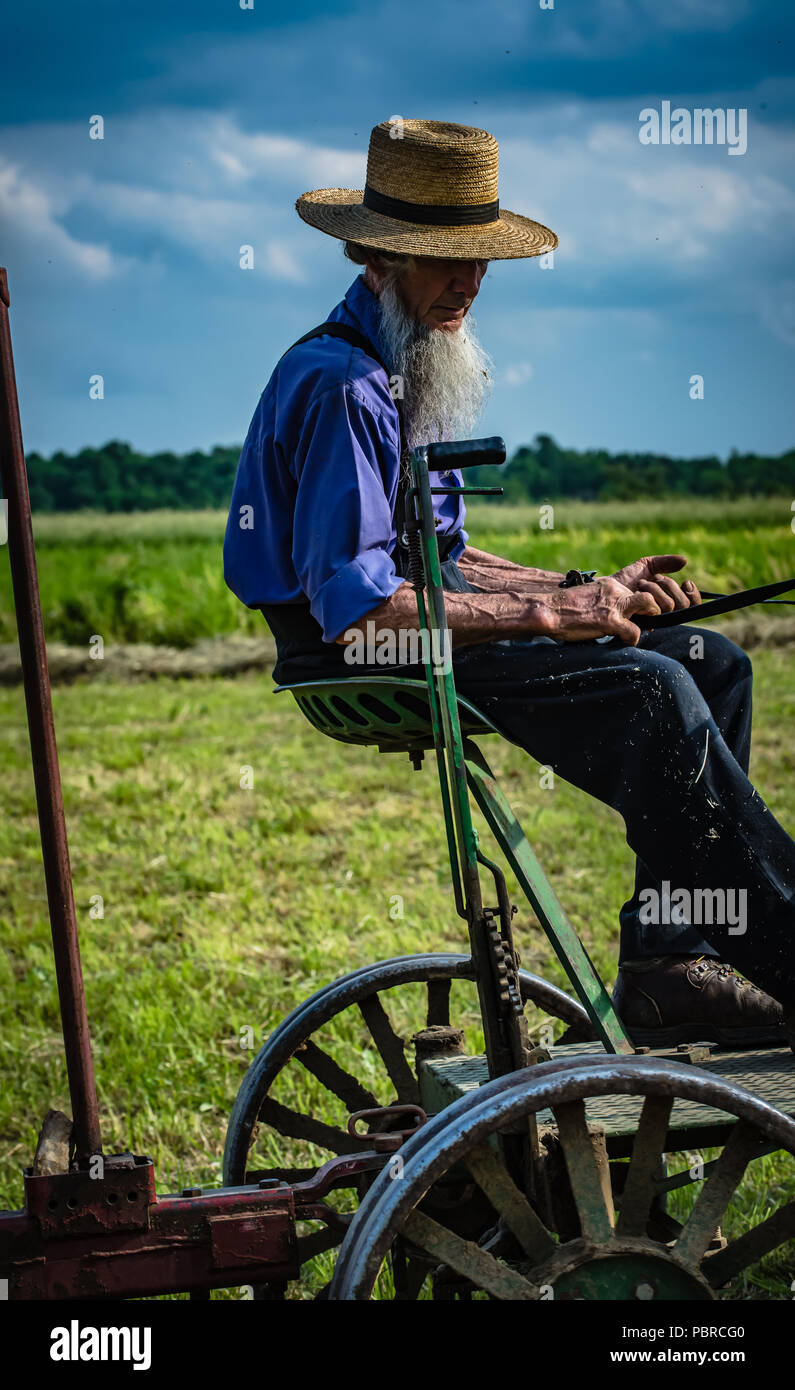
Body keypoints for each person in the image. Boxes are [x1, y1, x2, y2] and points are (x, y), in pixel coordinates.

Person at [224, 118, 795, 1049]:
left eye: (478, 262)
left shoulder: (402, 367)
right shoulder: (343, 387)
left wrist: (591, 589)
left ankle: (668, 963)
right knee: (653, 686)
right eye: (446, 261)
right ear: (380, 257)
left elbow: (441, 555)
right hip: (366, 645)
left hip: (418, 621)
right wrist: (548, 612)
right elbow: (359, 607)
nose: (468, 282)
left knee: (708, 659)